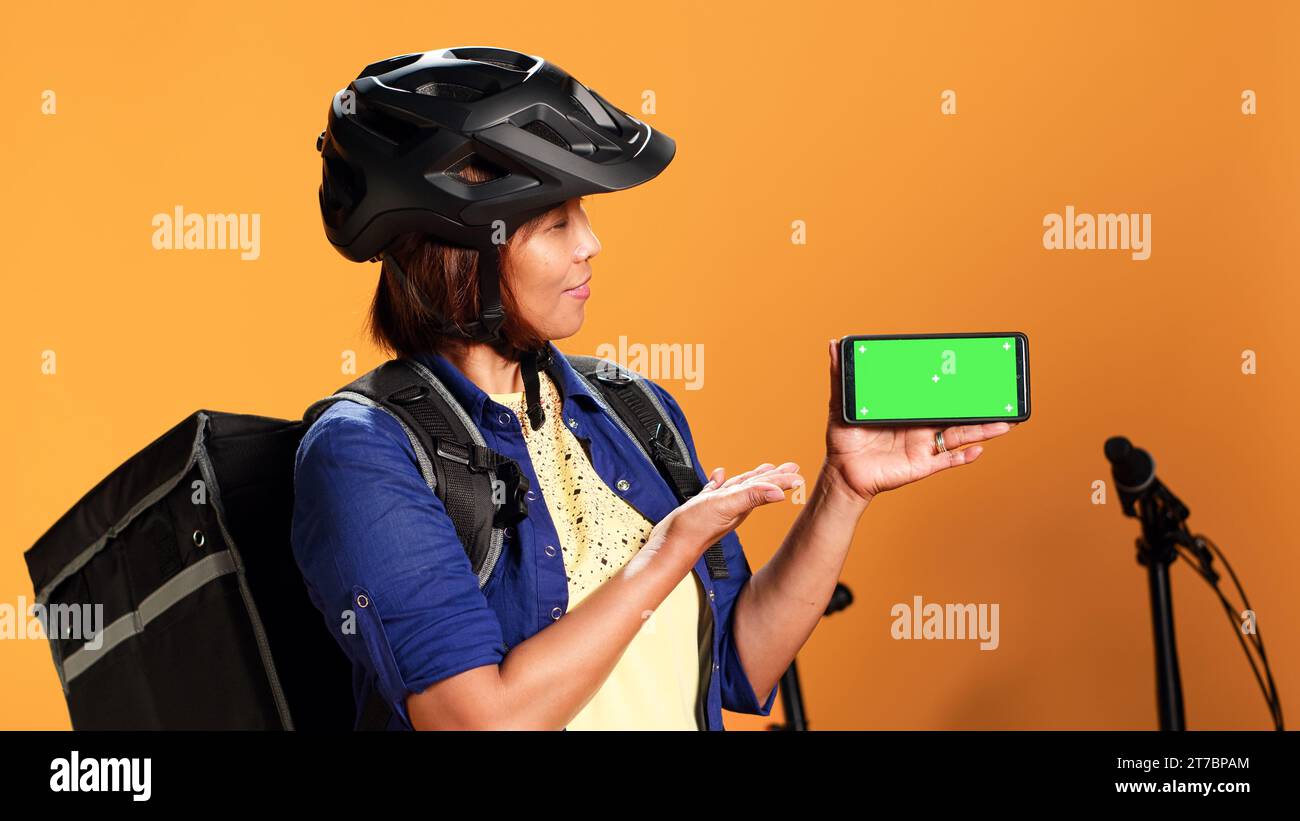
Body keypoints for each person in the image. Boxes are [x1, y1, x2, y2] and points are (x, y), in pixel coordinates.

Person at [292, 46, 1016, 731]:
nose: (591, 244)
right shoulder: (363, 453)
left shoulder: (629, 409)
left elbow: (738, 663)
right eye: (556, 222)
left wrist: (844, 490)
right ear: (460, 257)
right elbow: (483, 718)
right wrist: (667, 550)